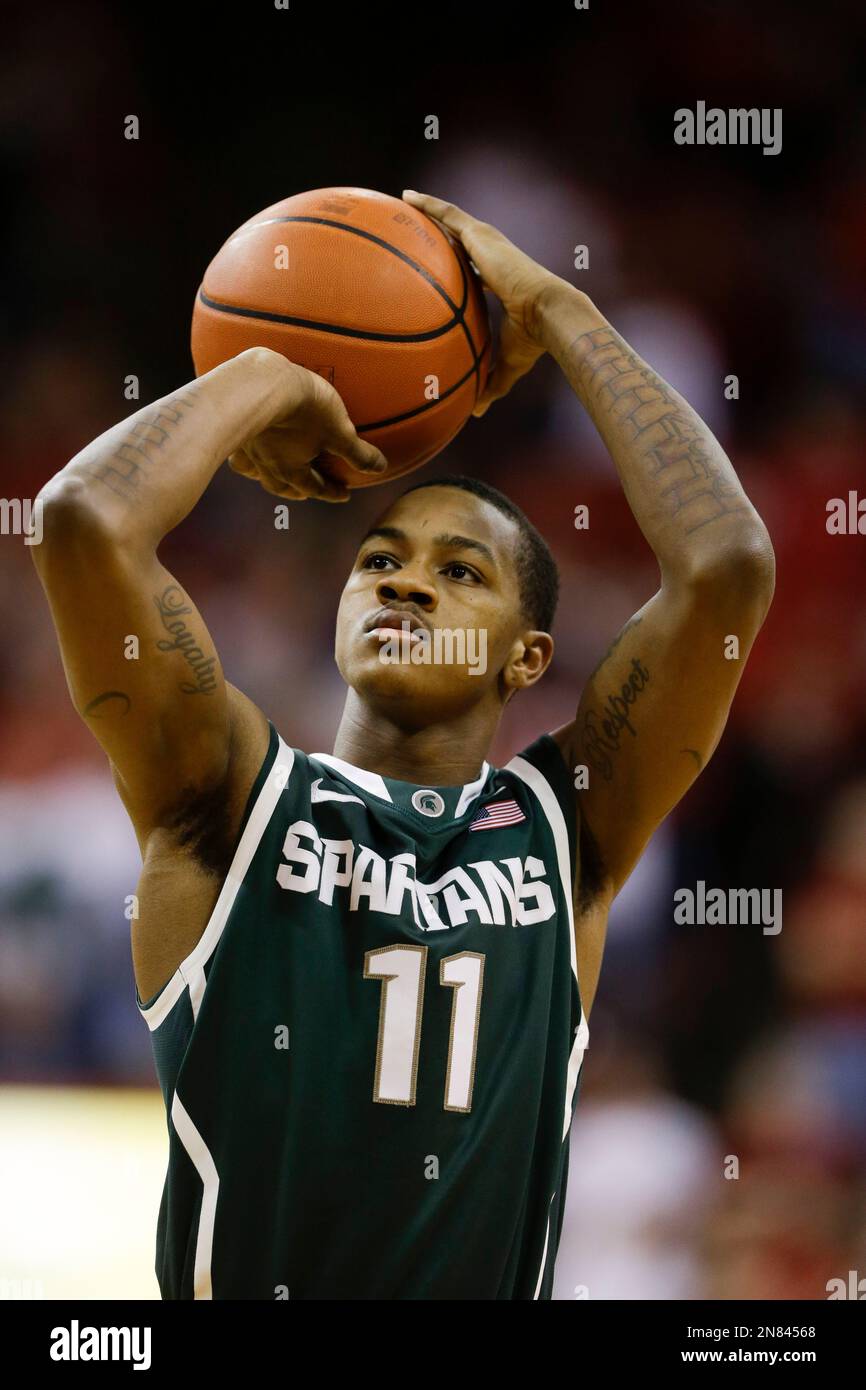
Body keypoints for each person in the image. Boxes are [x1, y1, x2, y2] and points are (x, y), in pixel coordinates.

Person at [31, 191, 775, 1300]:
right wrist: (268, 372)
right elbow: (83, 519)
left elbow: (727, 569)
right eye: (377, 561)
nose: (405, 580)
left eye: (458, 570)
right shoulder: (227, 798)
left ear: (525, 660)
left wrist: (559, 307)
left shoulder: (563, 827)